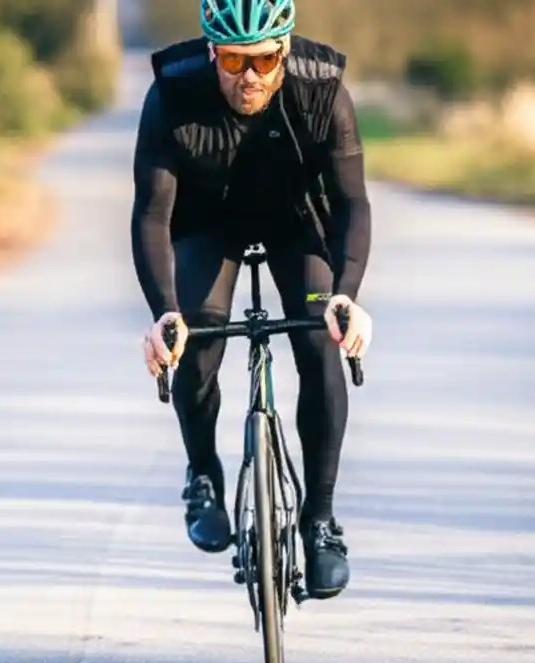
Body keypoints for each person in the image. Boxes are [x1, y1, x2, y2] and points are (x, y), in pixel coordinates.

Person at [131, 0, 373, 600]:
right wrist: (164, 311)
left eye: (264, 59)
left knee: (321, 345)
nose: (250, 76)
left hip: (298, 223)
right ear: (212, 51)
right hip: (208, 223)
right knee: (195, 340)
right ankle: (204, 474)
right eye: (235, 59)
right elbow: (153, 213)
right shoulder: (172, 94)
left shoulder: (323, 90)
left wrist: (346, 295)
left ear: (283, 52)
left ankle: (319, 521)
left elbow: (352, 205)